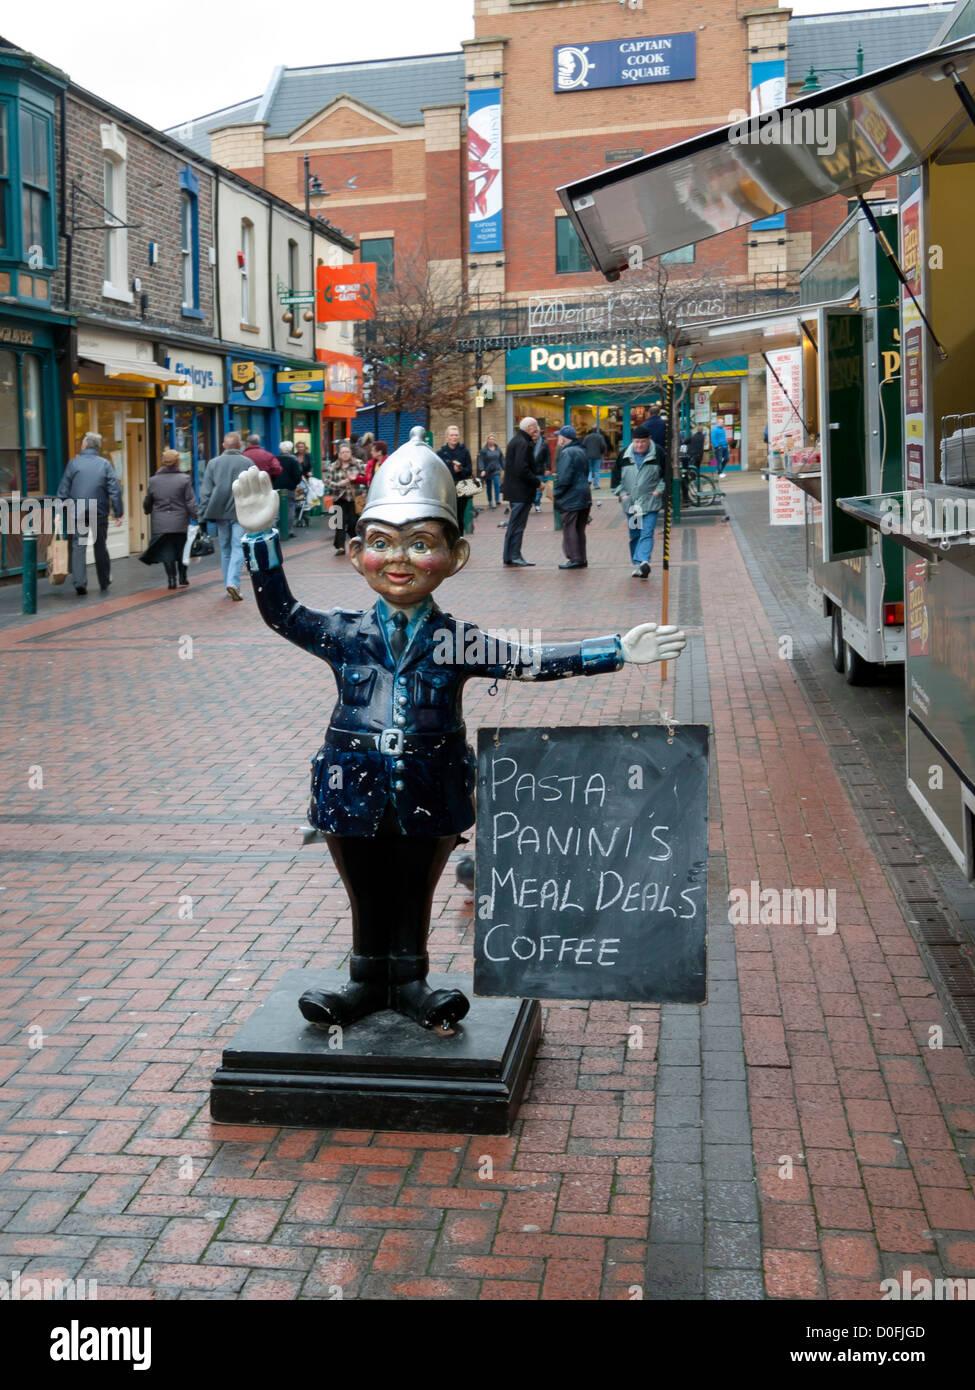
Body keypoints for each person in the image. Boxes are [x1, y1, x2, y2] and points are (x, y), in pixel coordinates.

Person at [231, 427, 687, 1030]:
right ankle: (365, 982)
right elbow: (281, 611)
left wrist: (615, 650)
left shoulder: (456, 640)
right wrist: (261, 536)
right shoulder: (342, 634)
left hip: (430, 787)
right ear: (356, 554)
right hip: (351, 786)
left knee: (416, 888)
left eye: (421, 543)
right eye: (382, 544)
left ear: (456, 556)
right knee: (365, 890)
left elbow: (529, 661)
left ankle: (412, 982)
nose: (399, 560)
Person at [57, 431, 124, 595]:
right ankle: (104, 581)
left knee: (78, 546)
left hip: (77, 510)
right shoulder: (105, 464)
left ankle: (80, 582)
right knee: (100, 545)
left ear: (84, 445)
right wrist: (118, 513)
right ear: (98, 447)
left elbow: (63, 489)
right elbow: (114, 490)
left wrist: (58, 513)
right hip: (99, 510)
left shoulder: (74, 464)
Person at [199, 430, 249, 600]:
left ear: (223, 446)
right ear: (240, 445)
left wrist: (202, 515)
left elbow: (205, 492)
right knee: (237, 547)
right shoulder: (247, 462)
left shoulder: (213, 463)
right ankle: (233, 583)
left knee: (226, 549)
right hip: (240, 511)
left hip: (219, 512)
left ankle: (228, 583)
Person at [140, 448, 198, 589]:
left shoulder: (153, 480)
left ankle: (171, 580)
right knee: (181, 551)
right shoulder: (184, 479)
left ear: (163, 462)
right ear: (177, 462)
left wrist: (147, 510)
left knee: (167, 553)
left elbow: (148, 501)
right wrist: (197, 517)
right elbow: (190, 502)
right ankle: (183, 578)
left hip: (160, 523)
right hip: (180, 522)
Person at [615, 425, 665, 579]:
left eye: (642, 442)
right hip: (633, 505)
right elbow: (616, 478)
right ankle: (638, 564)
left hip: (650, 502)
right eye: (636, 442)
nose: (639, 445)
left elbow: (666, 475)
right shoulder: (624, 455)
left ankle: (644, 561)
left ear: (649, 439)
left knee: (647, 532)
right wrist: (623, 494)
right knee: (635, 534)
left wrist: (658, 490)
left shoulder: (658, 453)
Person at [502, 416, 543, 567]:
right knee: (517, 525)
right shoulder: (523, 443)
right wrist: (537, 482)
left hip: (517, 491)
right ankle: (514, 555)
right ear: (528, 428)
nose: (537, 429)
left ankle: (510, 555)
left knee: (514, 525)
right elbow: (522, 468)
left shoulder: (518, 441)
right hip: (521, 491)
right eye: (534, 426)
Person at [552, 425, 591, 570]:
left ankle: (575, 558)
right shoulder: (581, 450)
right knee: (579, 528)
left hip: (571, 496)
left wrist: (557, 493)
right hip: (584, 494)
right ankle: (582, 558)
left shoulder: (567, 452)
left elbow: (565, 477)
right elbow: (586, 472)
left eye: (559, 436)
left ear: (563, 438)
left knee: (570, 528)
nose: (558, 438)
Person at [325, 442, 366, 555]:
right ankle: (340, 547)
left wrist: (364, 491)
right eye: (343, 452)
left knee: (353, 523)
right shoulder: (333, 466)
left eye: (347, 452)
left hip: (355, 498)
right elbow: (327, 482)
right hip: (339, 498)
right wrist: (339, 484)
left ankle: (356, 542)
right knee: (339, 523)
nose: (345, 454)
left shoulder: (358, 464)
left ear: (351, 453)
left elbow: (367, 478)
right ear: (339, 454)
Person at [437, 425, 473, 535]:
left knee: (459, 517)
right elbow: (439, 472)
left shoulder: (465, 451)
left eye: (456, 435)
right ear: (447, 437)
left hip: (462, 488)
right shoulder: (441, 453)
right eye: (452, 435)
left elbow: (469, 470)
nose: (454, 437)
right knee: (447, 517)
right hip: (447, 489)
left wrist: (460, 470)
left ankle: (459, 539)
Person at [275, 440, 303, 533]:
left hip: (276, 487)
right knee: (290, 508)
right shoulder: (293, 460)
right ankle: (289, 530)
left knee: (276, 509)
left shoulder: (275, 459)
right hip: (289, 488)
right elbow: (297, 475)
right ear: (290, 449)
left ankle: (275, 529)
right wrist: (294, 484)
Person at [477, 434, 503, 508]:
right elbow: (480, 460)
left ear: (494, 441)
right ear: (488, 440)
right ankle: (490, 501)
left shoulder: (498, 449)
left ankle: (497, 500)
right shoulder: (483, 450)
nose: (492, 440)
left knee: (496, 483)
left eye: (493, 439)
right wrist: (482, 469)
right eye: (490, 439)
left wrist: (505, 467)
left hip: (496, 470)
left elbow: (501, 459)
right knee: (488, 486)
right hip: (487, 470)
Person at [583, 423, 606, 491]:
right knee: (596, 470)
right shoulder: (600, 437)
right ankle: (596, 485)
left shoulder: (587, 437)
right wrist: (601, 452)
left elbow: (583, 446)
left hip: (588, 456)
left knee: (589, 469)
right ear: (596, 430)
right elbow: (603, 446)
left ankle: (589, 480)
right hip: (597, 456)